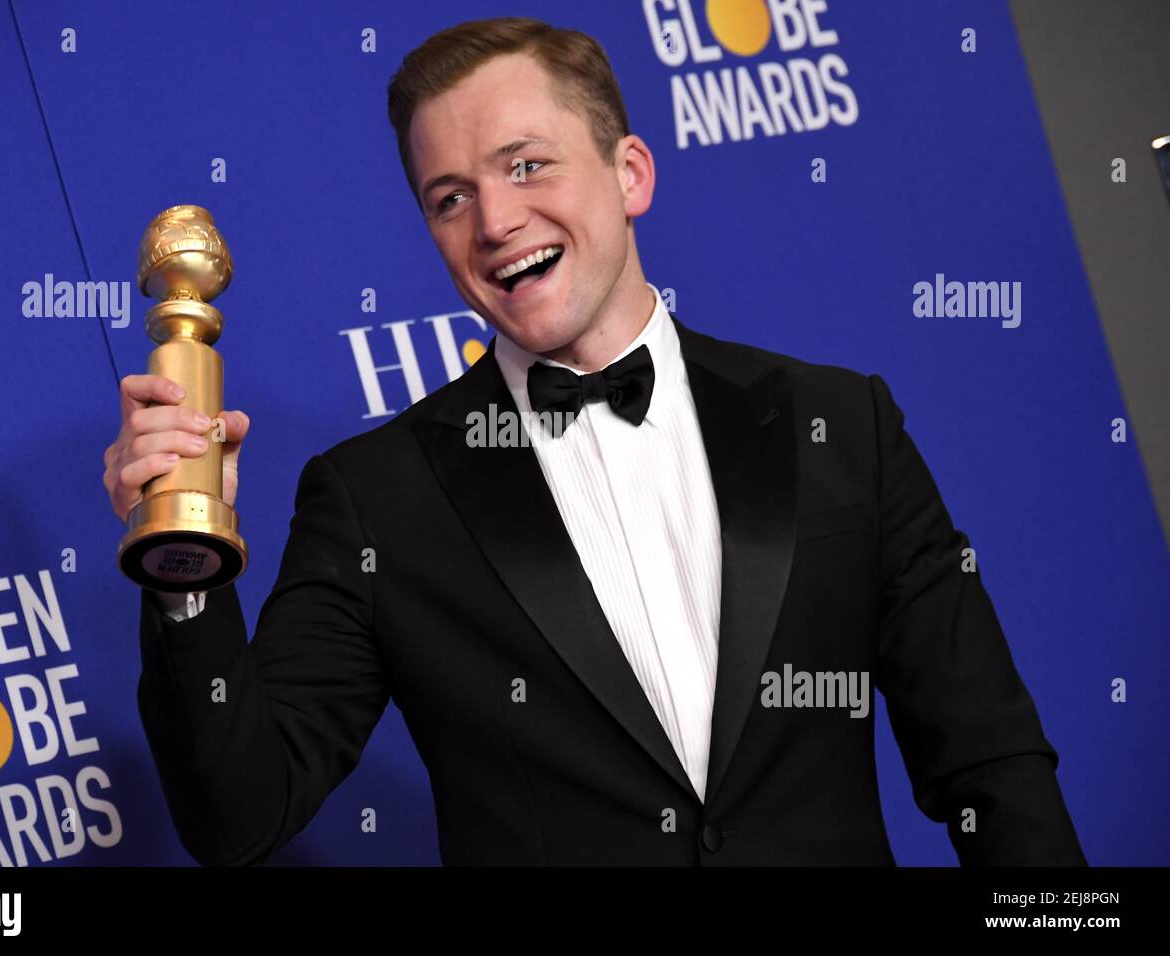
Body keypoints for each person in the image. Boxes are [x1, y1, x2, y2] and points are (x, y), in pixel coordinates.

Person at [101, 17, 1086, 866]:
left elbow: (986, 759)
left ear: (630, 173)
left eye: (526, 164)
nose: (495, 219)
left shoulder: (840, 426)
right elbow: (237, 814)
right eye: (449, 197)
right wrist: (186, 563)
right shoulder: (376, 499)